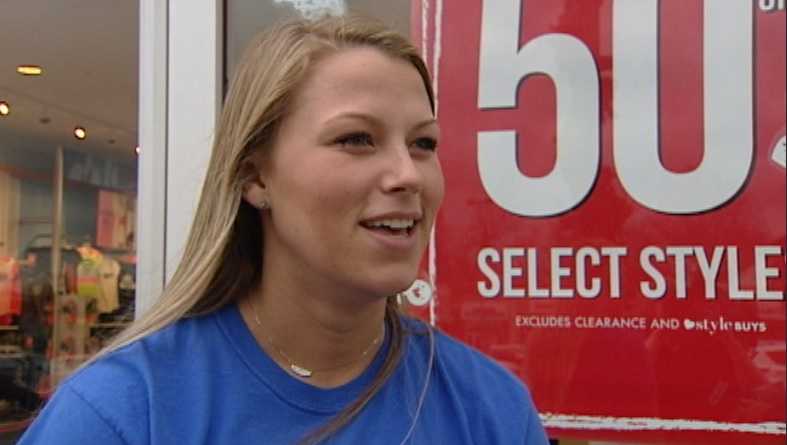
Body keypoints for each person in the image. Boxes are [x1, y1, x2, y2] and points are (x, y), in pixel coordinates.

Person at [18, 15, 549, 445]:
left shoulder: (491, 408)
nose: (408, 174)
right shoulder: (125, 411)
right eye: (356, 139)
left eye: (424, 144)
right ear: (255, 176)